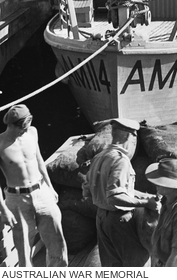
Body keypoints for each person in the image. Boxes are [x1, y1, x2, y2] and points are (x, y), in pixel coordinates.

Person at [82, 118, 160, 267]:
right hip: (119, 221)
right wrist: (145, 203)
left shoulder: (99, 157)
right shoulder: (120, 161)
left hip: (101, 218)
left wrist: (143, 195)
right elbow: (114, 196)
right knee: (137, 263)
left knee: (111, 265)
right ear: (129, 137)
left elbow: (87, 191)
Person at [0, 105, 68, 267]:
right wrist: (4, 210)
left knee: (57, 242)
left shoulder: (32, 132)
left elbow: (39, 161)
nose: (24, 131)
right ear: (11, 125)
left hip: (42, 192)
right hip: (17, 200)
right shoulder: (1, 144)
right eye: (22, 128)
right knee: (24, 250)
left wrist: (50, 188)